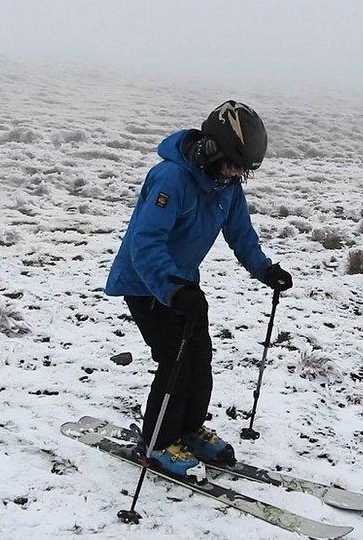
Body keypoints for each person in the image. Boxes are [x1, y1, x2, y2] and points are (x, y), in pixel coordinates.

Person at [105, 101, 293, 478]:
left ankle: (187, 430)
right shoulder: (170, 180)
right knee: (175, 358)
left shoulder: (226, 185)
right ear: (212, 148)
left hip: (184, 285)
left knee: (199, 357)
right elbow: (146, 243)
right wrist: (173, 289)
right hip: (146, 284)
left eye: (245, 168)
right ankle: (158, 441)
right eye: (235, 163)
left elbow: (240, 233)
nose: (239, 174)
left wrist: (265, 268)